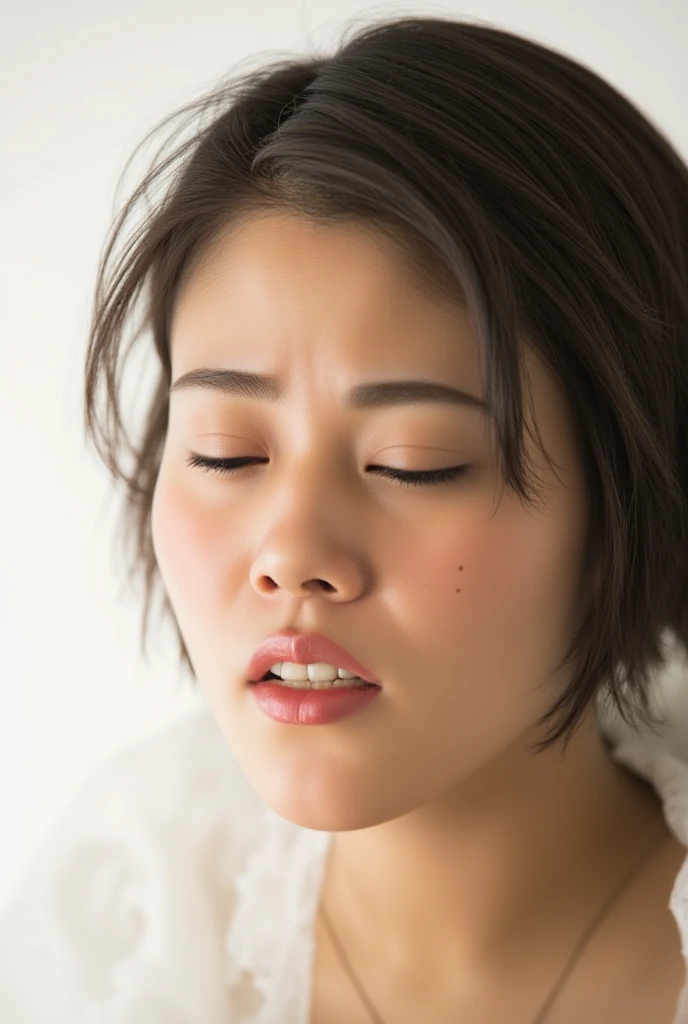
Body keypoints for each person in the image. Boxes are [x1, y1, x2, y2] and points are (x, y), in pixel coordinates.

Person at [2, 13, 688, 1024]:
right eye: (226, 453)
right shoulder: (128, 915)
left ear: (633, 489)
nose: (291, 554)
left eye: (415, 464)